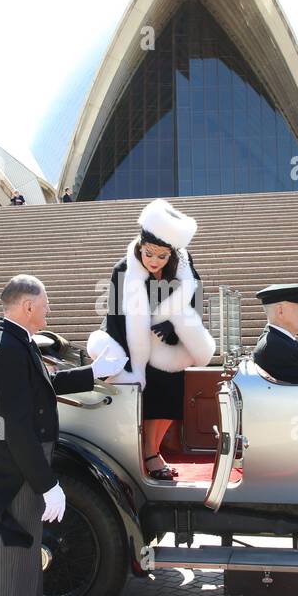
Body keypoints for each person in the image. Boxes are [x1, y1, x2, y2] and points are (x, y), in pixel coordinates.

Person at [0, 274, 123, 596]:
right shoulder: (5, 348)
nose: (48, 310)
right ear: (26, 306)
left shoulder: (14, 339)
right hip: (16, 469)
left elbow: (44, 387)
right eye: (44, 304)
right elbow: (18, 424)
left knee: (29, 563)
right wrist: (46, 484)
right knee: (16, 564)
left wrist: (94, 373)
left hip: (23, 462)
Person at [102, 199, 216, 481]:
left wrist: (173, 327)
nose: (153, 261)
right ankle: (144, 453)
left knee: (168, 399)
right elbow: (114, 315)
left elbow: (195, 305)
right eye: (148, 253)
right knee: (141, 398)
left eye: (161, 256)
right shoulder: (122, 271)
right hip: (132, 344)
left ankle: (151, 450)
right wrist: (121, 357)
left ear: (172, 254)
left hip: (168, 348)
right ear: (140, 246)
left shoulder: (184, 270)